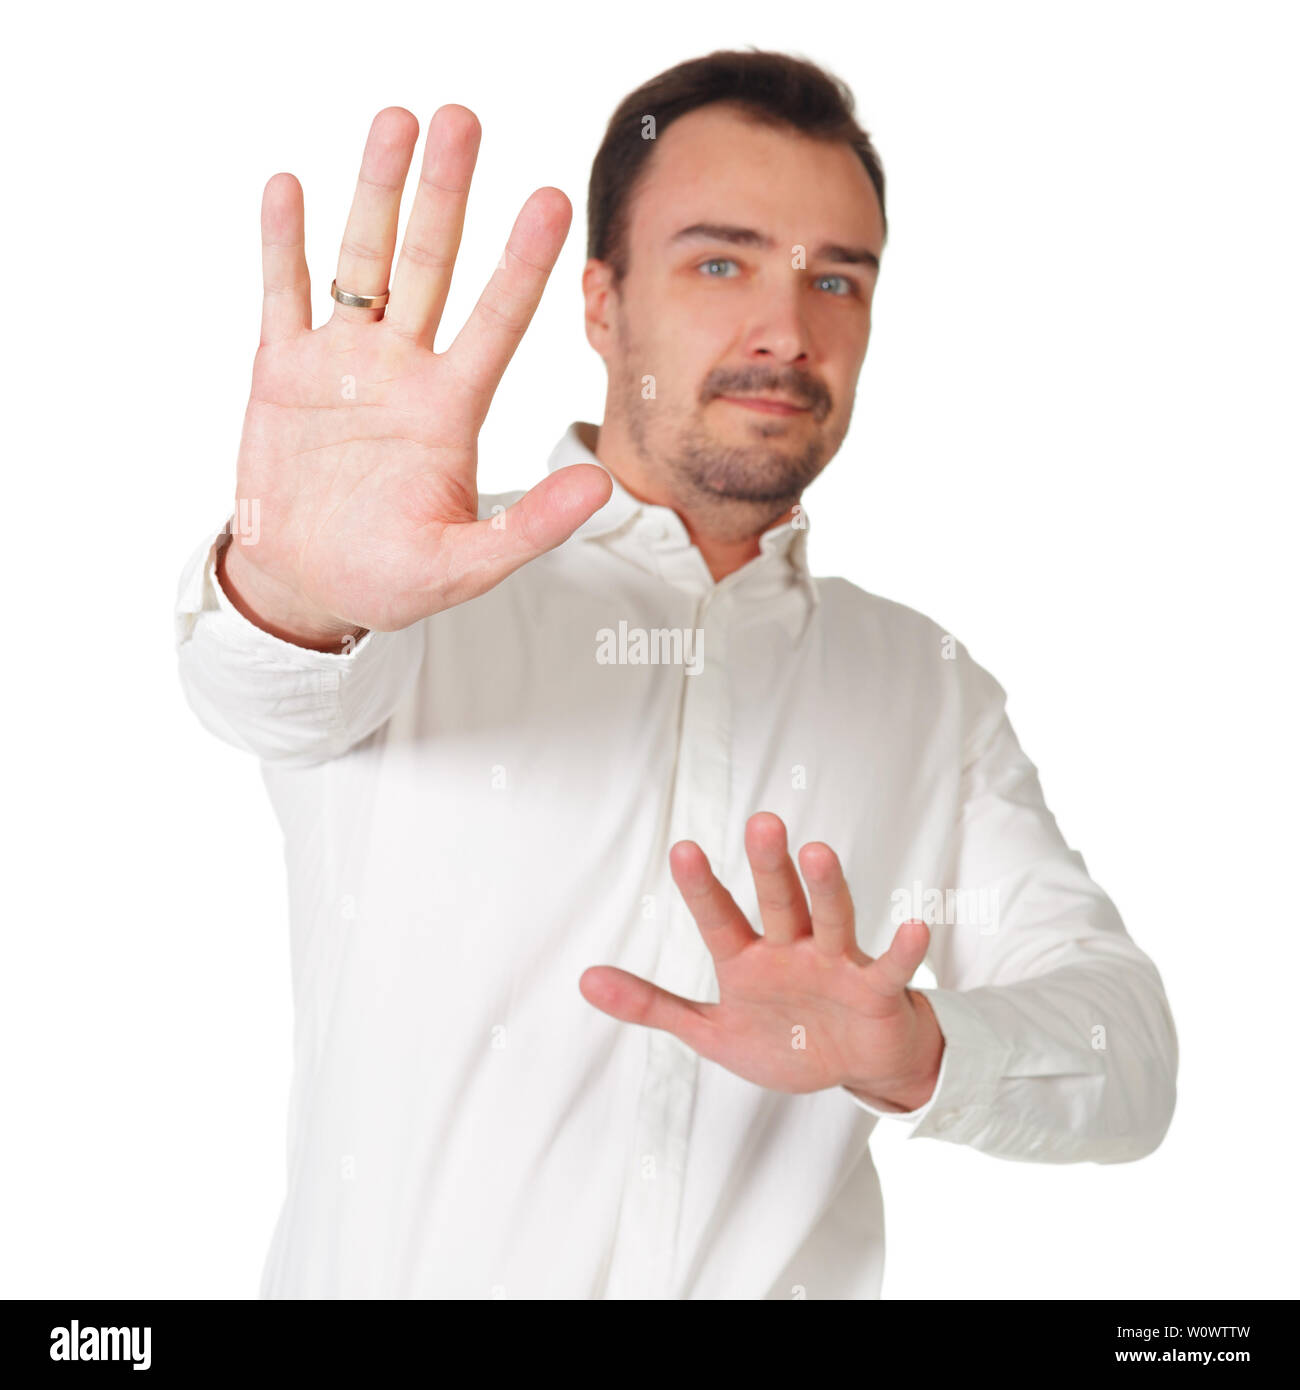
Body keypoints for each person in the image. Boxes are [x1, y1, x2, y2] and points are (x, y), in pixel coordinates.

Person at [174, 49, 1178, 1300]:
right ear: (601, 304)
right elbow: (257, 683)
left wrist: (918, 1045)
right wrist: (294, 590)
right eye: (721, 260)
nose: (787, 330)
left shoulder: (926, 688)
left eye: (837, 278)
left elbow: (1127, 1053)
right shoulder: (415, 586)